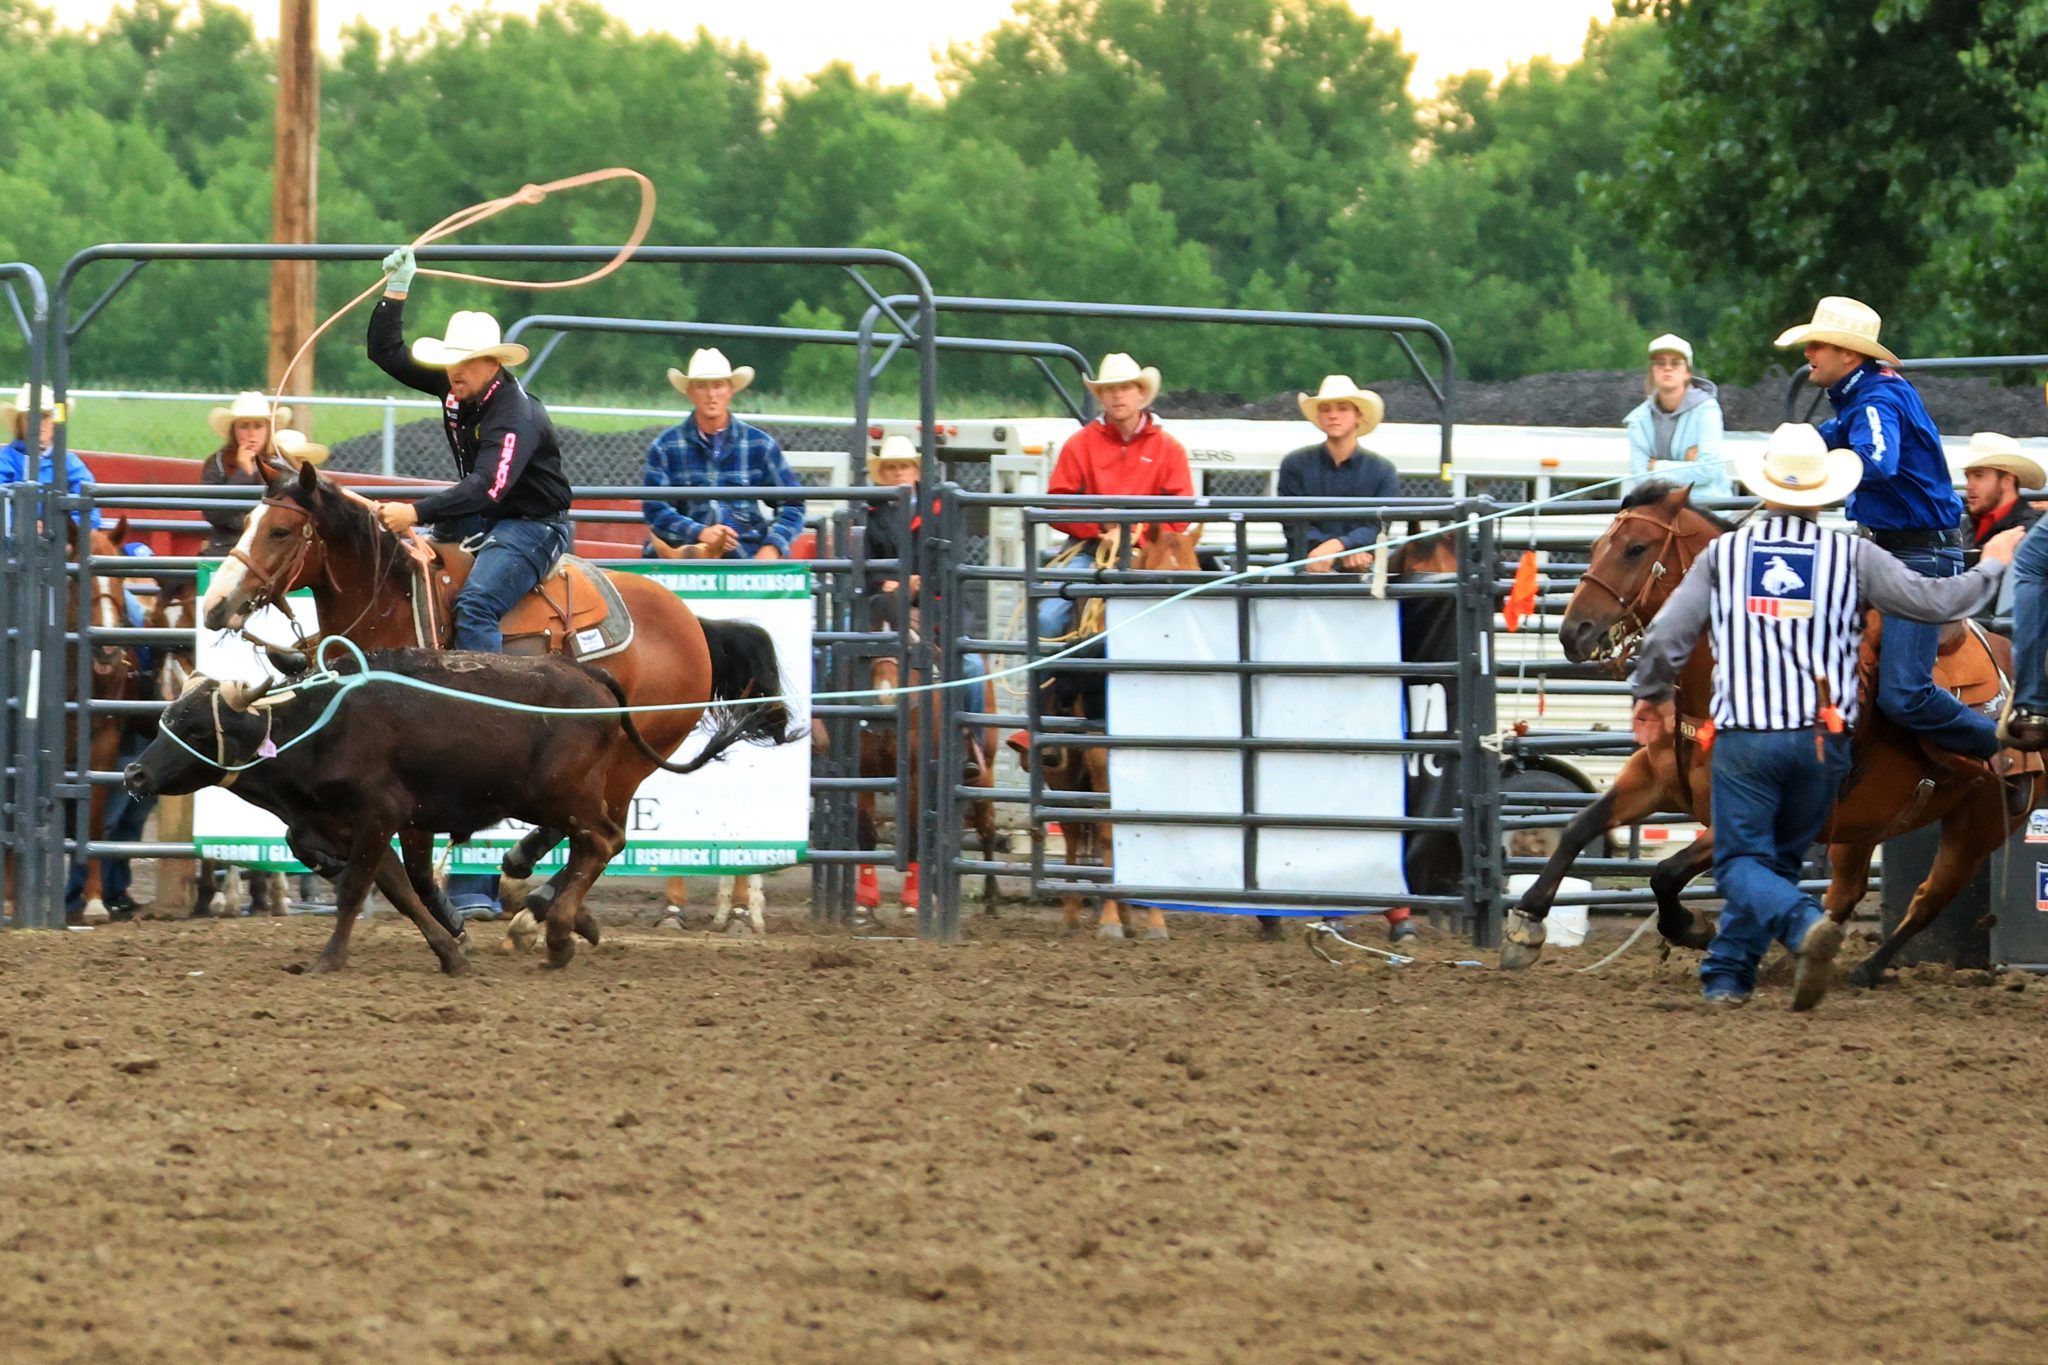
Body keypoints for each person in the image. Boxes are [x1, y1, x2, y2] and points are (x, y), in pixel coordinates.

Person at [1631, 423, 2023, 1010]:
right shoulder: (1853, 554)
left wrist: (1651, 692)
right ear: (1822, 494)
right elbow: (1936, 602)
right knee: (1782, 860)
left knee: (1740, 862)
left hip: (1748, 735)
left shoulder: (1726, 554)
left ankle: (1802, 923)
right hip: (1824, 742)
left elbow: (1667, 636)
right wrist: (1991, 565)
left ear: (1765, 490)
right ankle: (1727, 978)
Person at [367, 245, 574, 920]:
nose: (451, 371)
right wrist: (395, 291)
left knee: (480, 598)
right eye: (450, 362)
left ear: (492, 366)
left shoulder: (513, 413)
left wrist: (415, 512)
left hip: (531, 529)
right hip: (487, 522)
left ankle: (484, 707)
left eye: (464, 362)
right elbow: (386, 353)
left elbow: (489, 485)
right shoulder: (460, 389)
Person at [1775, 296, 1999, 766]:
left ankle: (2003, 745)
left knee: (1904, 694)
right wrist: (1801, 449)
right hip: (1890, 552)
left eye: (1817, 344)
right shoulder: (1870, 395)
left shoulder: (1877, 400)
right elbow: (1841, 435)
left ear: (1849, 355)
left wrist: (1818, 469)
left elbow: (1877, 459)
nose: (1807, 354)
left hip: (1917, 559)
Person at [1036, 352, 1195, 640]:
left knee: (1192, 612)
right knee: (1047, 619)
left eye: (1124, 388)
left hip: (1152, 551)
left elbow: (1181, 511)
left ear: (1140, 394)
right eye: (1109, 389)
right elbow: (1058, 501)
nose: (1117, 396)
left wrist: (1136, 533)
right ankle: (1051, 683)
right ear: (1101, 397)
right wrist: (1100, 528)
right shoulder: (1080, 444)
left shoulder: (1169, 448)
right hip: (1088, 549)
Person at [642, 348, 806, 561]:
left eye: (718, 386)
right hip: (683, 557)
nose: (711, 395)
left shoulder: (760, 444)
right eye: (702, 386)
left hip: (745, 556)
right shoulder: (665, 447)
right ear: (690, 392)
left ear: (730, 390)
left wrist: (772, 548)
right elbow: (655, 508)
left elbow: (793, 504)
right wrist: (700, 532)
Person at [1277, 375, 1398, 572]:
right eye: (1326, 409)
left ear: (1358, 416)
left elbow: (1378, 526)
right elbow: (1294, 525)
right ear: (1319, 417)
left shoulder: (1382, 470)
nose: (1333, 415)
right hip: (1304, 565)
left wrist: (1337, 547)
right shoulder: (1295, 465)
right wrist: (1343, 547)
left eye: (1342, 408)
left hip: (1363, 565)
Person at [198, 392, 307, 554]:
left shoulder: (282, 463)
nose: (251, 433)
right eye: (244, 426)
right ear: (233, 430)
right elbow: (214, 514)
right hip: (228, 547)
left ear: (267, 430)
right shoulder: (218, 462)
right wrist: (244, 473)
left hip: (276, 551)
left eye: (258, 426)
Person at [1624, 333, 1730, 497]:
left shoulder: (1708, 410)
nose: (1667, 368)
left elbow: (1709, 470)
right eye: (1660, 363)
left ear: (1687, 372)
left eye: (1676, 363)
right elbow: (1640, 478)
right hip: (1658, 512)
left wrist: (1656, 467)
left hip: (1708, 511)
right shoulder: (1637, 420)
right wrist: (1687, 468)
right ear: (1652, 371)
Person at [0, 384, 102, 528]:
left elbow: (89, 510)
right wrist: (22, 529)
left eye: (45, 416)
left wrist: (66, 536)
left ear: (54, 422)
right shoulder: (5, 461)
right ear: (19, 423)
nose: (39, 424)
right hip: (12, 548)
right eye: (31, 417)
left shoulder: (69, 463)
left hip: (63, 545)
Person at [1957, 432, 2043, 560]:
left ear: (2007, 481)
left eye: (1979, 476)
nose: (1969, 486)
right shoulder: (1966, 525)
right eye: (1968, 477)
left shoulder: (2031, 532)